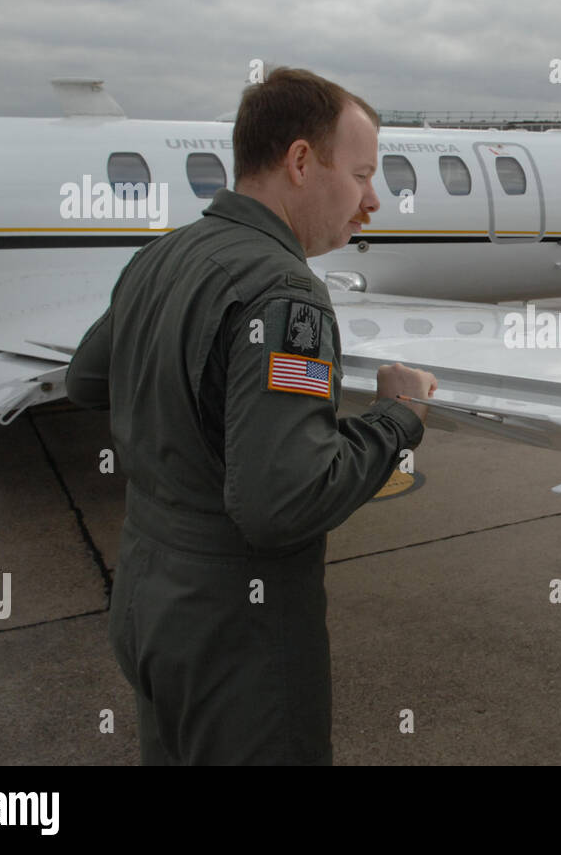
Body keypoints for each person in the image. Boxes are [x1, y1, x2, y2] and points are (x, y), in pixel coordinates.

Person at [65, 67, 436, 764]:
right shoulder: (286, 294)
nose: (373, 201)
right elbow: (282, 499)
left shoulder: (163, 255)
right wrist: (397, 417)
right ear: (301, 161)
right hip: (236, 633)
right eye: (360, 175)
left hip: (149, 601)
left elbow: (87, 378)